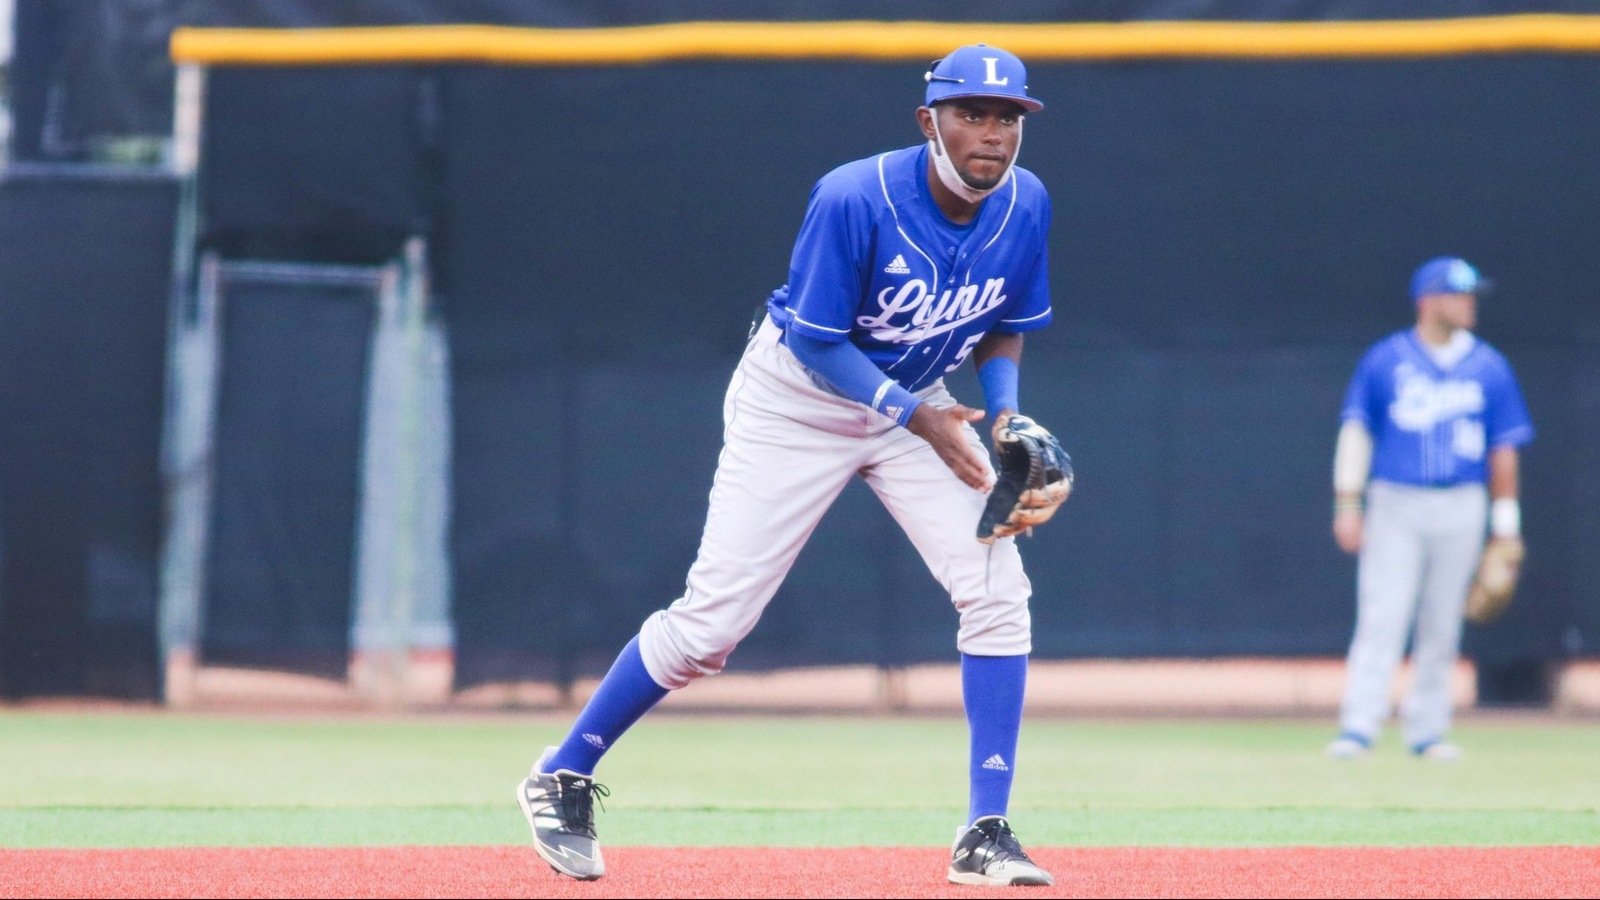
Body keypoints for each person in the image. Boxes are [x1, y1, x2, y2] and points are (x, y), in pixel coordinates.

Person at [516, 44, 1062, 886]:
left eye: (1006, 118)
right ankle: (564, 772)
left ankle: (986, 831)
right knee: (713, 625)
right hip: (797, 402)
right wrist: (914, 417)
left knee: (997, 594)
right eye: (970, 114)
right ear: (930, 122)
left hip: (919, 399)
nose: (990, 133)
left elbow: (1002, 320)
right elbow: (815, 339)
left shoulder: (1025, 203)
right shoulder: (854, 196)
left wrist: (1003, 410)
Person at [1326, 256, 1533, 761]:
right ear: (1428, 300)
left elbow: (1503, 448)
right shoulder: (1386, 359)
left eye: (1470, 295)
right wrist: (1348, 500)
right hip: (1396, 498)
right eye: (1459, 294)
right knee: (1383, 614)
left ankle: (1428, 728)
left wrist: (1506, 525)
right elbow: (1358, 430)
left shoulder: (1488, 365)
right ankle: (1360, 724)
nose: (1469, 303)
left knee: (1442, 622)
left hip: (1462, 500)